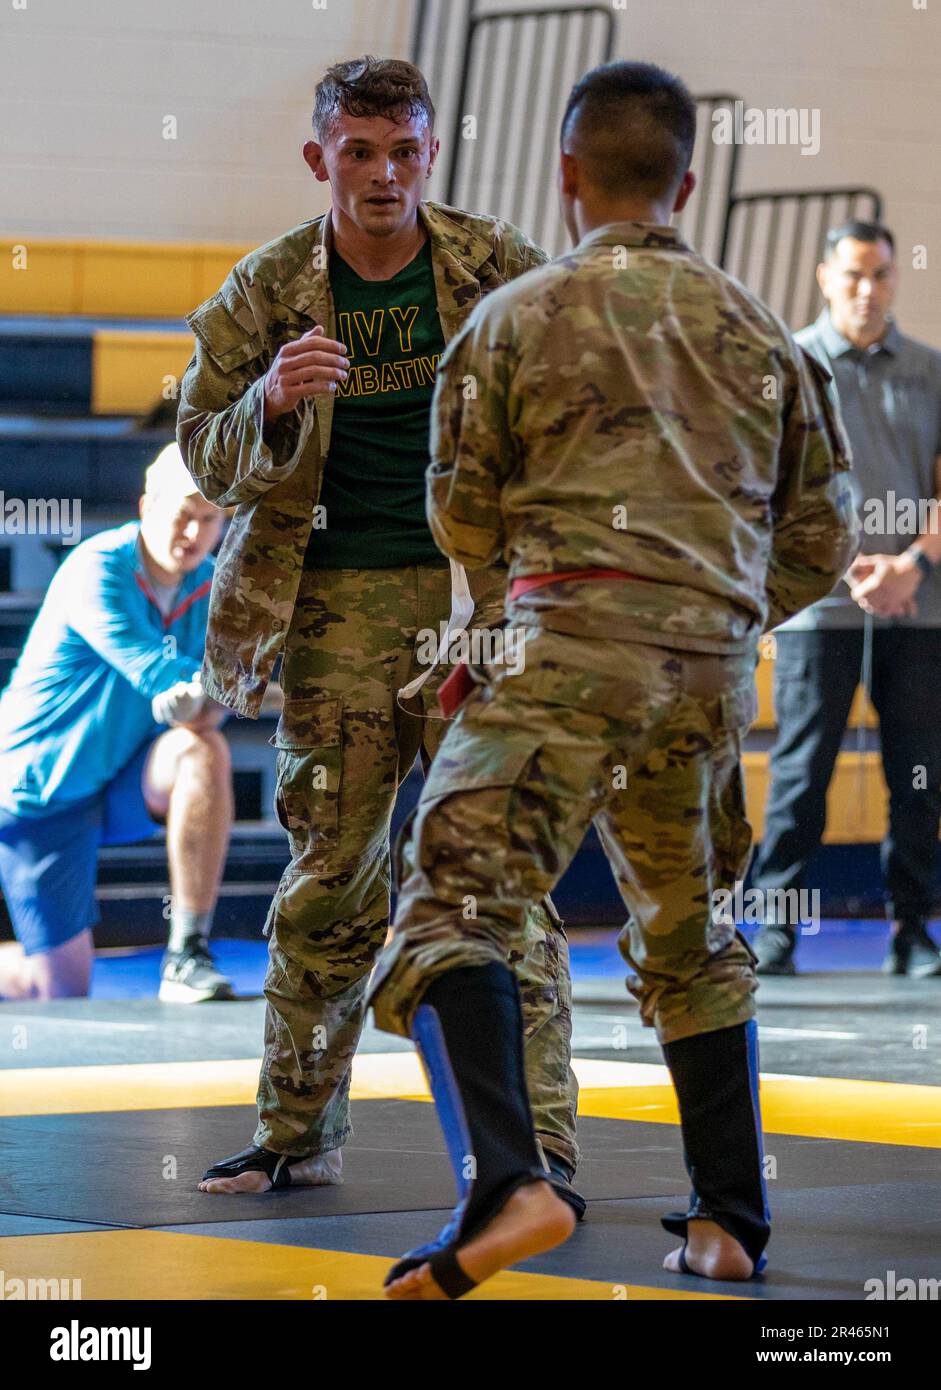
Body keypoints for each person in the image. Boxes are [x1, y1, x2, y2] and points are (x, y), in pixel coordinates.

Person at [367, 59, 860, 1299]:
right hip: (705, 670)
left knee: (448, 898)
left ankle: (508, 1181)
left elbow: (461, 514)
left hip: (563, 637)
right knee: (690, 935)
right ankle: (728, 1222)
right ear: (685, 182)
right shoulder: (763, 333)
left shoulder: (513, 316)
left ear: (566, 174)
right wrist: (708, 607)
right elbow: (824, 538)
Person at [177, 56, 580, 1199]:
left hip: (477, 608)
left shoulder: (498, 266)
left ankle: (538, 1148)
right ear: (320, 160)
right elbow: (199, 453)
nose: (382, 176)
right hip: (333, 609)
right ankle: (295, 1132)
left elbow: (577, 407)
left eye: (403, 150)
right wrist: (265, 404)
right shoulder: (262, 293)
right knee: (326, 883)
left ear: (430, 154)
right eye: (357, 152)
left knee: (503, 883)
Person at [753, 221, 941, 977]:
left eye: (882, 276)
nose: (868, 290)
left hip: (916, 609)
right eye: (855, 275)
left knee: (917, 778)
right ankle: (773, 930)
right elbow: (764, 493)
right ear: (825, 275)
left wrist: (910, 566)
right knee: (801, 775)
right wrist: (846, 567)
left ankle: (912, 931)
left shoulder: (929, 370)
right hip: (815, 611)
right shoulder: (787, 363)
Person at [0, 445, 234, 1002]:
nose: (194, 534)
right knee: (61, 992)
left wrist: (213, 698)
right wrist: (213, 693)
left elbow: (209, 708)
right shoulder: (96, 567)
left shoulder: (212, 585)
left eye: (210, 519)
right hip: (40, 790)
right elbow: (162, 675)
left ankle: (187, 953)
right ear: (146, 505)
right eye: (183, 514)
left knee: (203, 752)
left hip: (117, 774)